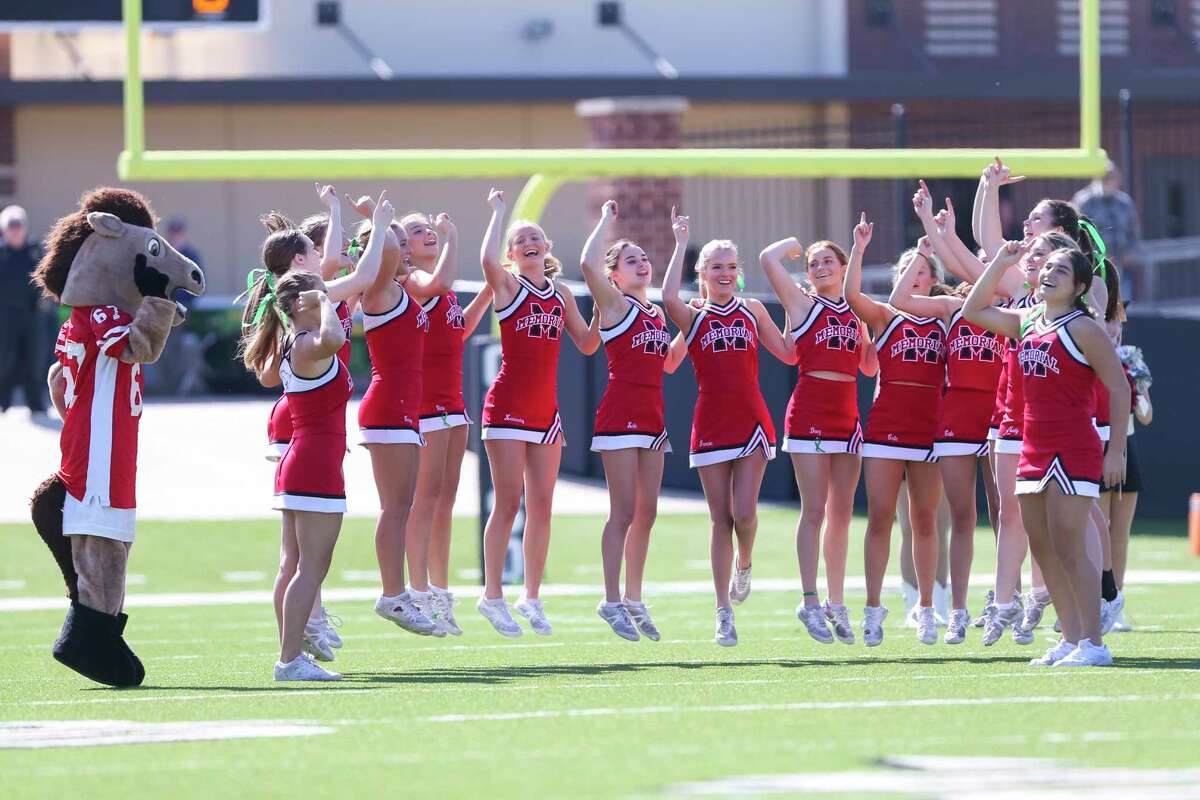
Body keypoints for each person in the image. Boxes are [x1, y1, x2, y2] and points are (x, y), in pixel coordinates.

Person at [244, 188, 392, 662]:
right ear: (300, 261)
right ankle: (296, 644)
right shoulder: (311, 309)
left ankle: (300, 635)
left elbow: (268, 371)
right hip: (305, 440)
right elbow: (362, 275)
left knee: (297, 559)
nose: (330, 256)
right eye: (316, 250)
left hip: (302, 436)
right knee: (307, 562)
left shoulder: (293, 306)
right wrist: (379, 224)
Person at [965, 242, 1129, 667]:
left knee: (1071, 545)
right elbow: (972, 311)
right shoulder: (1028, 321)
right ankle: (1071, 638)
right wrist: (1000, 263)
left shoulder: (1084, 328)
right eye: (1046, 268)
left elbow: (1119, 387)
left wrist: (1117, 453)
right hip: (1031, 446)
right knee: (1042, 546)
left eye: (1061, 270)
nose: (1048, 274)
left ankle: (1094, 643)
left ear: (1078, 286)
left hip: (1073, 446)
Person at [662, 212, 797, 647]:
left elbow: (789, 354)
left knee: (744, 513)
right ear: (702, 273)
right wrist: (680, 242)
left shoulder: (753, 308)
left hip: (752, 420)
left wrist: (798, 309)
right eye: (716, 266)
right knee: (720, 519)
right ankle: (722, 611)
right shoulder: (694, 315)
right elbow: (668, 318)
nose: (725, 273)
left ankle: (746, 563)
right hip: (710, 423)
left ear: (739, 274)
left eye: (731, 266)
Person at [476, 189, 599, 637]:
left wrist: (606, 305)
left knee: (543, 506)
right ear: (513, 253)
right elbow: (487, 261)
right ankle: (492, 596)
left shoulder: (561, 293)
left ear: (547, 250)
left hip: (546, 411)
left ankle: (531, 597)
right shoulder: (508, 285)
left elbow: (586, 344)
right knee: (509, 503)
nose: (531, 241)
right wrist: (499, 213)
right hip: (506, 406)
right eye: (521, 239)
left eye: (537, 237)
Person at [347, 195, 461, 638]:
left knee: (404, 506)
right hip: (390, 406)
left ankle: (402, 594)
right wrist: (372, 223)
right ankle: (396, 594)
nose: (402, 244)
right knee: (397, 508)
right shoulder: (380, 288)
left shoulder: (395, 287)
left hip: (404, 409)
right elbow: (386, 256)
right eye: (396, 238)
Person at [758, 234, 877, 645]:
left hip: (848, 418)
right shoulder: (804, 305)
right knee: (815, 510)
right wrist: (792, 244)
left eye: (828, 260)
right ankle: (809, 601)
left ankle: (836, 601)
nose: (820, 267)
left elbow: (867, 367)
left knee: (843, 515)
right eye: (813, 263)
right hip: (809, 413)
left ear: (844, 268)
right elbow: (767, 259)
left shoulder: (857, 315)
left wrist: (884, 331)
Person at [580, 200, 686, 641]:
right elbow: (587, 264)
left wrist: (690, 327)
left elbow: (670, 364)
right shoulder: (615, 304)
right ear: (615, 274)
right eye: (631, 260)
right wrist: (605, 221)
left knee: (647, 512)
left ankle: (635, 598)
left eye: (644, 259)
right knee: (622, 511)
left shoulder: (657, 313)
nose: (642, 264)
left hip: (653, 417)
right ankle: (610, 599)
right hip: (620, 414)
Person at [241, 270, 352, 681]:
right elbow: (337, 339)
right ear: (302, 303)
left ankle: (290, 656)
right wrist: (322, 301)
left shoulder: (293, 342)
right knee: (311, 568)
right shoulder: (306, 344)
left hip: (306, 463)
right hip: (314, 466)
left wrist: (318, 299)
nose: (330, 296)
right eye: (321, 292)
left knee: (300, 565)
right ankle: (289, 660)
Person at [845, 213, 948, 647]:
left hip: (929, 428)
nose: (917, 275)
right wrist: (859, 248)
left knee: (925, 521)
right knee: (881, 520)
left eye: (924, 269)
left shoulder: (945, 315)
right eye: (911, 268)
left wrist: (938, 236)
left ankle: (926, 607)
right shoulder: (886, 317)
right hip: (887, 425)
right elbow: (851, 295)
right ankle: (873, 609)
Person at [401, 212, 494, 636]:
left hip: (453, 405)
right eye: (418, 232)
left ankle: (440, 591)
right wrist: (454, 235)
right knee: (424, 501)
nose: (429, 234)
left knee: (445, 504)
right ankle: (417, 592)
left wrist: (492, 288)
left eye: (430, 229)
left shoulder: (443, 290)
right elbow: (437, 284)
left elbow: (459, 330)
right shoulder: (413, 283)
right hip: (424, 406)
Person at [0, 205, 49, 417]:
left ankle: (36, 405)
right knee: (4, 361)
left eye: (18, 225)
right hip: (5, 317)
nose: (15, 230)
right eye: (11, 226)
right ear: (4, 230)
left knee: (35, 361)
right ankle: (3, 404)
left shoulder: (36, 251)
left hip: (33, 315)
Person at [1072, 161, 1140, 298]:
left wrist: (1130, 253)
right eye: (1104, 176)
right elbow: (1075, 231)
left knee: (1119, 307)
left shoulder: (1124, 203)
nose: (1108, 181)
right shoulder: (1083, 201)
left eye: (1112, 177)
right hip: (1092, 267)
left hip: (1119, 265)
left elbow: (1134, 231)